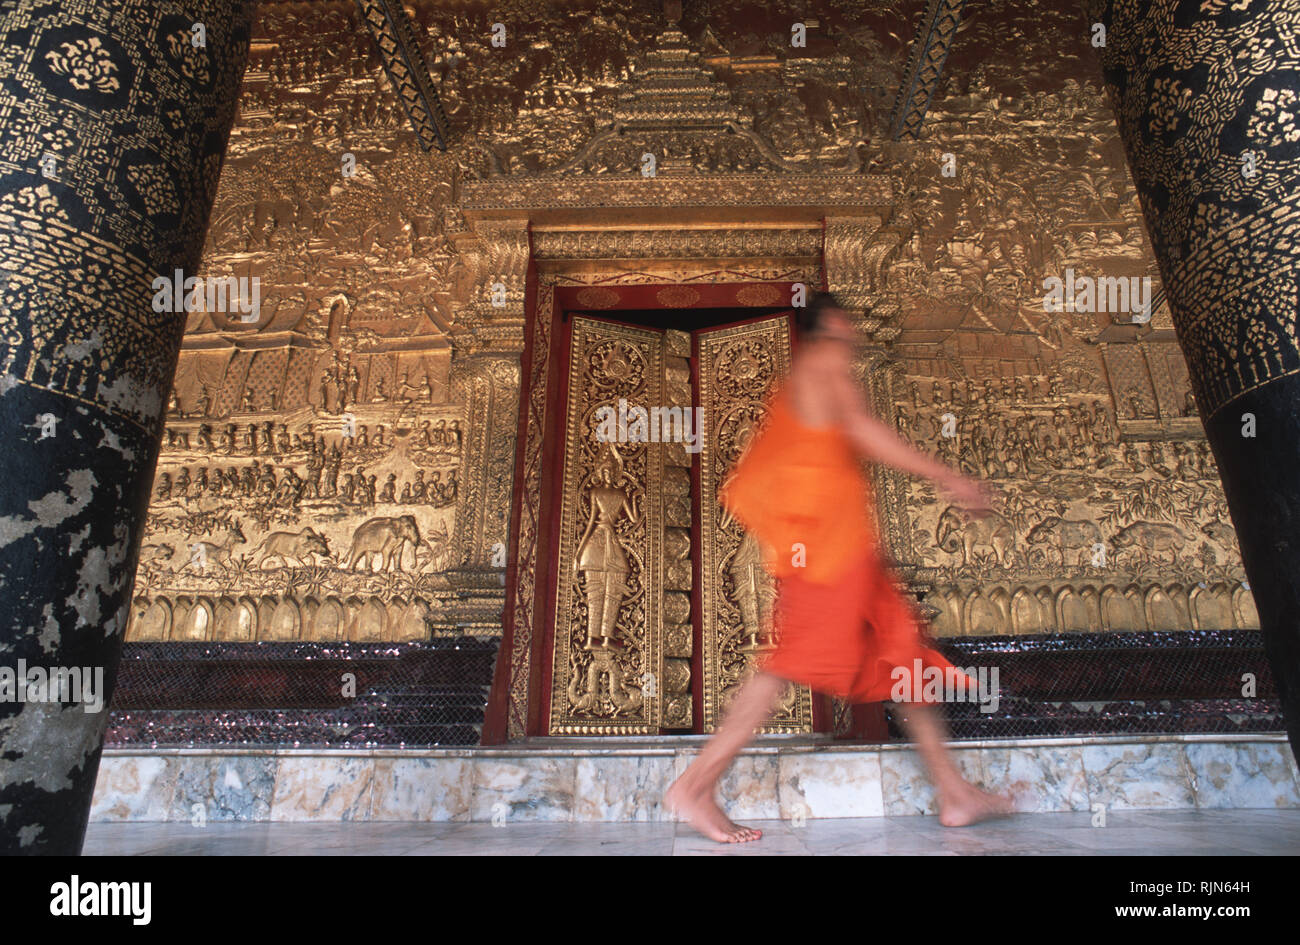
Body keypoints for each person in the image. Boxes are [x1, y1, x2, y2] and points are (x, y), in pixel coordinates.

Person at [664, 292, 1013, 843]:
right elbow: (859, 428)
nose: (855, 328)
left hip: (844, 549)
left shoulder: (809, 372)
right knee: (785, 665)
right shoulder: (825, 361)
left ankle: (955, 792)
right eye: (847, 319)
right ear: (831, 323)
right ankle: (695, 785)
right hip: (826, 556)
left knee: (903, 656)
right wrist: (946, 475)